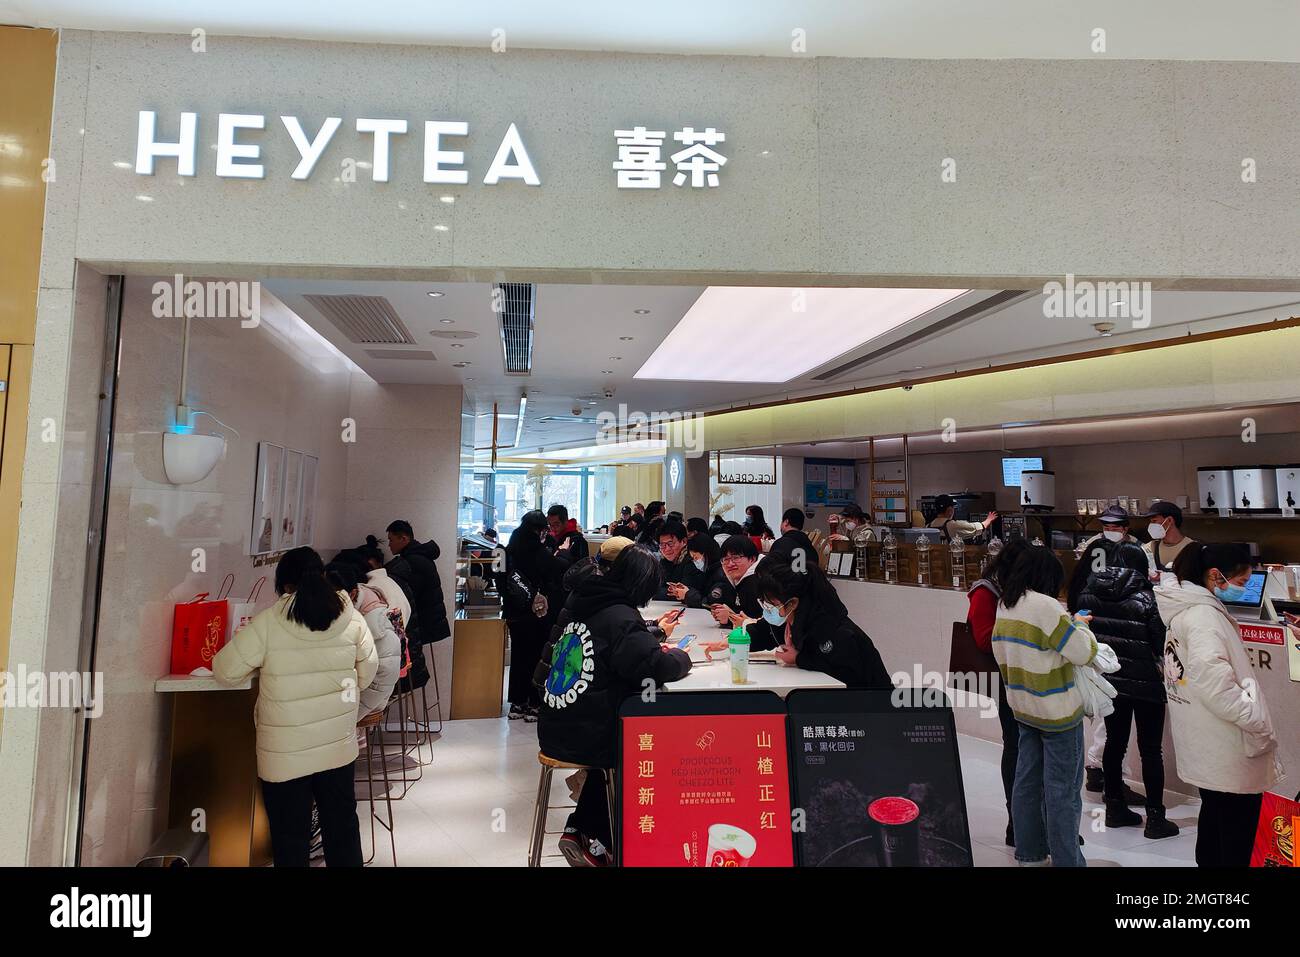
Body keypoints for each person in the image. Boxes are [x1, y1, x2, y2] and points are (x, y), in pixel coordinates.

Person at [213, 547, 377, 867]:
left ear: (285, 585)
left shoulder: (270, 622)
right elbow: (367, 673)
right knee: (341, 827)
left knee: (290, 835)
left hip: (285, 754)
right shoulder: (351, 616)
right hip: (337, 748)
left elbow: (225, 670)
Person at [537, 545, 692, 866]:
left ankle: (581, 830)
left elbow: (621, 647)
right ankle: (601, 839)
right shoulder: (620, 615)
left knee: (621, 742)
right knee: (642, 748)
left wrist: (650, 635)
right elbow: (653, 666)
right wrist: (681, 656)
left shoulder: (588, 601)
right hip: (585, 734)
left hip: (555, 725)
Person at [1155, 543, 1281, 867]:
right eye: (1240, 583)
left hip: (1207, 744)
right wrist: (1256, 717)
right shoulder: (1203, 619)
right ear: (1215, 577)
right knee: (1234, 835)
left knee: (1215, 822)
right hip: (1227, 746)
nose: (1243, 590)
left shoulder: (1184, 612)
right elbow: (1216, 685)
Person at [991, 544, 1106, 867]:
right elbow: (1082, 652)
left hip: (1024, 708)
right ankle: (1068, 860)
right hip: (1057, 714)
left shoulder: (1007, 603)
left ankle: (1029, 852)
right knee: (1063, 792)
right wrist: (1081, 625)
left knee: (1026, 784)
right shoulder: (1045, 606)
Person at [1069, 542, 1179, 839]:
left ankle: (1115, 808)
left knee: (1114, 746)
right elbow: (1160, 644)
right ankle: (1156, 817)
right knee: (1150, 750)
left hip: (1110, 682)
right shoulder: (1147, 599)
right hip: (1146, 685)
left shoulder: (1088, 593)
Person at [965, 538, 1029, 847]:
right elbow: (983, 638)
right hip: (1008, 681)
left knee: (1031, 750)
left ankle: (1039, 819)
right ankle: (1016, 821)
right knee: (1016, 747)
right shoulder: (986, 591)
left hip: (1029, 678)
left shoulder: (1016, 590)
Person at [749, 561, 891, 688]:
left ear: (793, 603)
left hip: (871, 704)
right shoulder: (791, 620)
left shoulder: (834, 629)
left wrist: (799, 659)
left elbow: (845, 674)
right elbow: (764, 632)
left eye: (771, 605)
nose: (768, 609)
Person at [503, 509, 574, 721]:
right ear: (538, 530)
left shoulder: (512, 549)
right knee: (537, 658)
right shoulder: (539, 550)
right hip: (537, 614)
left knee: (518, 657)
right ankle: (535, 704)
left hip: (515, 614)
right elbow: (558, 569)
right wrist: (562, 552)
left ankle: (517, 704)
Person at [325, 562, 402, 719]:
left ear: (352, 594)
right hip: (361, 689)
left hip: (372, 695)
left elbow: (380, 679)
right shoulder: (363, 600)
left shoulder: (372, 623)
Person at [385, 520, 449, 692]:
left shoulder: (412, 562)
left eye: (391, 540)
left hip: (423, 624)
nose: (389, 545)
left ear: (403, 538)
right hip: (431, 622)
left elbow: (407, 596)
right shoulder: (419, 557)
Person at [654, 518, 703, 603]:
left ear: (684, 541)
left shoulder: (691, 562)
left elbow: (682, 594)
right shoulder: (663, 562)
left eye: (670, 544)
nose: (666, 549)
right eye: (662, 545)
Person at [1143, 501, 1195, 581]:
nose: (1151, 525)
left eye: (1154, 521)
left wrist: (1165, 577)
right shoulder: (1150, 547)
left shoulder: (1193, 547)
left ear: (1170, 520)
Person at [927, 493, 997, 543]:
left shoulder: (928, 526)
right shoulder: (953, 525)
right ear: (950, 510)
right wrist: (989, 519)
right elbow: (978, 527)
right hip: (949, 560)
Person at [682, 532, 724, 607]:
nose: (695, 561)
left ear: (706, 554)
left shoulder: (720, 573)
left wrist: (687, 594)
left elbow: (711, 602)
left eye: (696, 557)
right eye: (693, 558)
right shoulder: (704, 571)